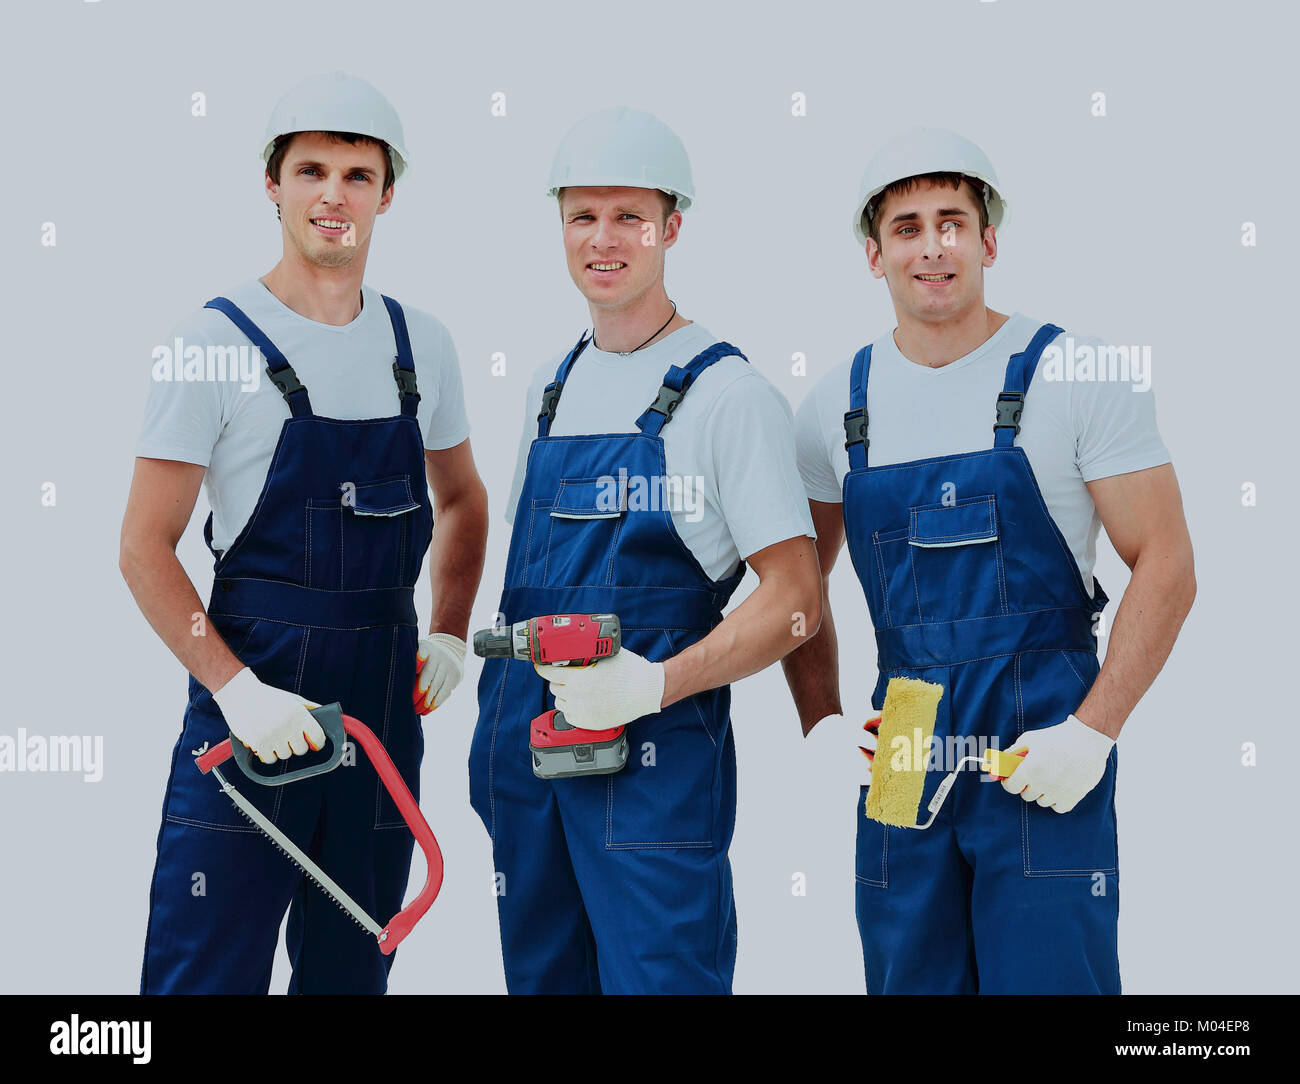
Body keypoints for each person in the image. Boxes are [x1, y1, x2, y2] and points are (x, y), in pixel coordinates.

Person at [783, 127, 1196, 994]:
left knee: (1052, 975)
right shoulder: (835, 405)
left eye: (952, 221)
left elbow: (1166, 562)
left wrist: (1095, 729)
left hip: (1041, 723)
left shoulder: (1076, 373)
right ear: (873, 254)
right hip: (901, 730)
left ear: (988, 240)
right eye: (906, 227)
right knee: (908, 973)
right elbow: (796, 587)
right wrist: (819, 718)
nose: (932, 246)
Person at [121, 71, 488, 994]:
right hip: (254, 708)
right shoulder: (212, 341)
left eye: (358, 175)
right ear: (274, 185)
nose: (334, 194)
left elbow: (465, 502)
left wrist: (446, 627)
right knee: (204, 976)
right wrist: (235, 689)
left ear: (388, 194)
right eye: (312, 170)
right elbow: (142, 547)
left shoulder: (423, 344)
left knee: (350, 973)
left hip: (381, 708)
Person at [469, 107, 822, 994]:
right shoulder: (549, 389)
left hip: (651, 769)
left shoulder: (728, 396)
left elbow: (794, 600)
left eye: (629, 216)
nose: (604, 239)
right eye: (583, 216)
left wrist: (655, 684)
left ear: (672, 227)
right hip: (528, 755)